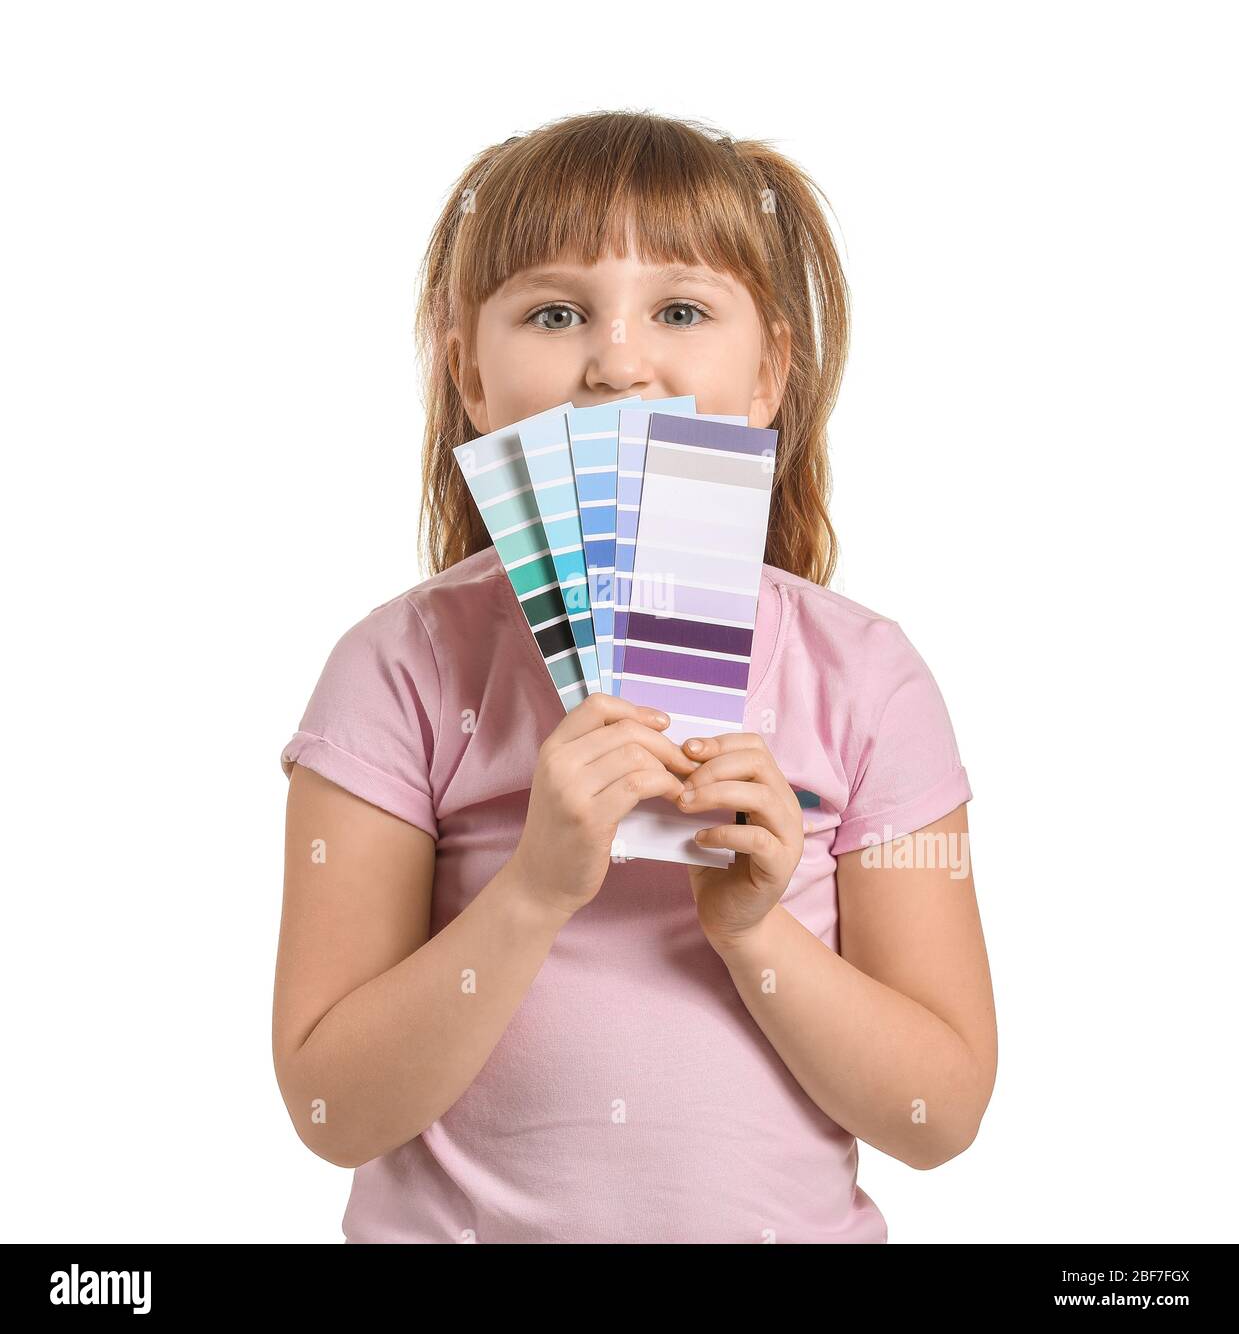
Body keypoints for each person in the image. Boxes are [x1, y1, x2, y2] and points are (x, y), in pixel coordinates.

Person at [273, 110, 996, 1244]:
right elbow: (330, 1107)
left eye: (681, 309)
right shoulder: (399, 668)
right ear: (470, 375)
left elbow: (938, 1114)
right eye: (555, 312)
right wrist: (535, 886)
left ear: (769, 377)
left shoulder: (865, 680)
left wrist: (757, 932)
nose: (616, 357)